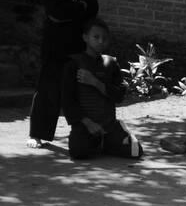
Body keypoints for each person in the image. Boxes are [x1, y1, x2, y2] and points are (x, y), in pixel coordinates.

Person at [28, 0, 98, 148]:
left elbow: (93, 8)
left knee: (78, 87)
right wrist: (78, 8)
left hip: (78, 40)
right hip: (55, 40)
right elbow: (55, 11)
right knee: (49, 86)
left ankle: (83, 130)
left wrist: (71, 9)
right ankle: (38, 133)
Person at [61, 18, 142, 160]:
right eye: (96, 37)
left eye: (104, 38)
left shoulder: (110, 63)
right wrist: (88, 123)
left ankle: (106, 141)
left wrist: (95, 82)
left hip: (109, 124)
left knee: (135, 151)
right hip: (85, 124)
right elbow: (67, 101)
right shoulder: (73, 64)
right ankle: (103, 144)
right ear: (85, 37)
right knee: (79, 152)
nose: (100, 41)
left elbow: (119, 96)